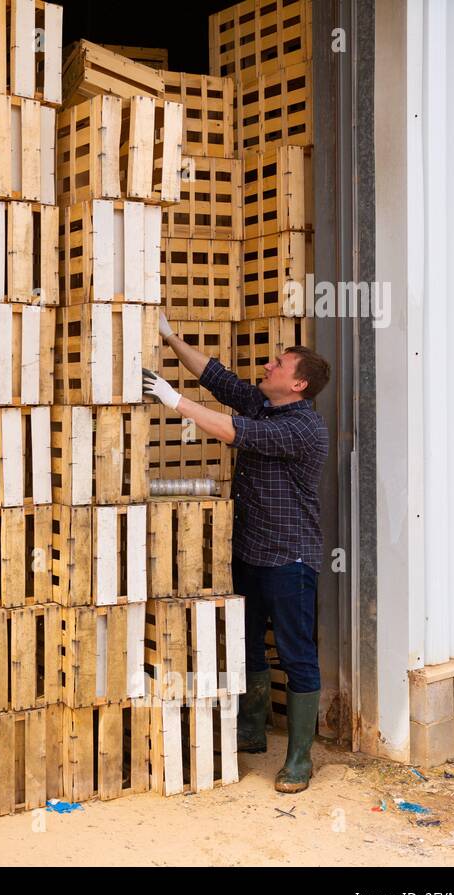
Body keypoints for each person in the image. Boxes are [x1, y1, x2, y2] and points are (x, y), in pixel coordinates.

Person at [143, 311, 330, 793]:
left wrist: (174, 401)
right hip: (250, 553)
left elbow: (236, 433)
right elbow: (218, 377)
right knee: (247, 644)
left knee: (297, 655)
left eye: (278, 365)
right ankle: (251, 729)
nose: (268, 367)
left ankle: (299, 759)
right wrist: (170, 337)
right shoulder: (266, 405)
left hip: (290, 559)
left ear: (299, 383)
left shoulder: (303, 428)